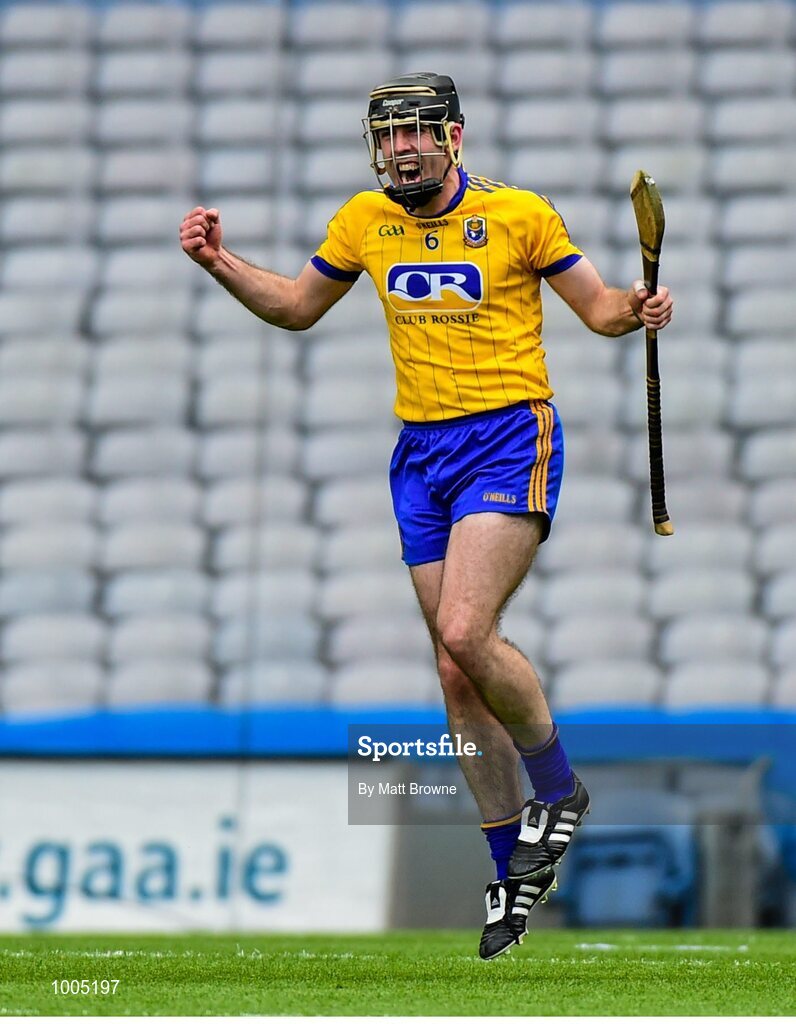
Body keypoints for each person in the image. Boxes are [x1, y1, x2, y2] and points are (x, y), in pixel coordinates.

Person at [180, 72, 673, 959]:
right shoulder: (364, 221)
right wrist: (220, 262)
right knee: (452, 670)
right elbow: (294, 307)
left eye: (419, 133)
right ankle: (511, 875)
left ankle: (559, 793)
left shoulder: (521, 214)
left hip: (508, 436)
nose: (403, 148)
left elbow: (600, 309)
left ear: (455, 137)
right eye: (389, 136)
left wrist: (636, 307)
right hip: (420, 457)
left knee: (465, 629)